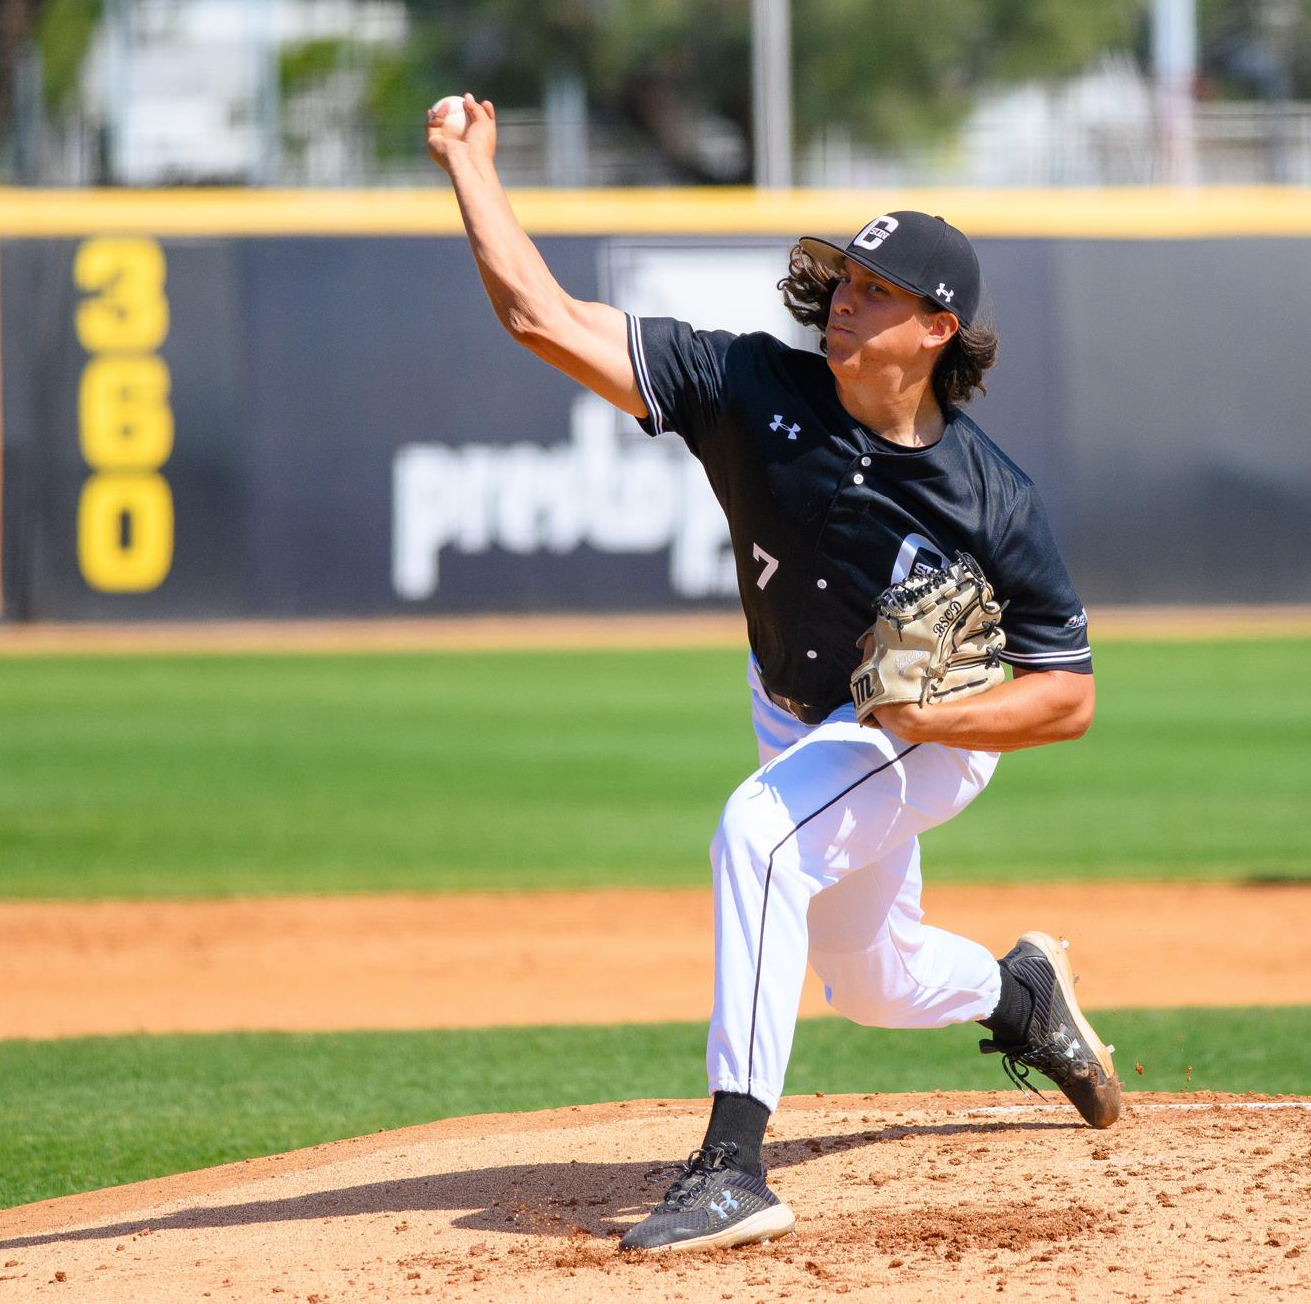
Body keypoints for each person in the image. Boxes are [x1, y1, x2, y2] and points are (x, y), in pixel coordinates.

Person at [426, 96, 1121, 1254]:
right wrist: (467, 165)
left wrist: (936, 710)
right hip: (796, 714)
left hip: (926, 736)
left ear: (936, 328)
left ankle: (732, 1165)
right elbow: (538, 317)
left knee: (757, 835)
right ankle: (1020, 997)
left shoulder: (991, 496)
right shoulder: (748, 387)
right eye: (845, 278)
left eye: (877, 290)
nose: (846, 296)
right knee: (874, 980)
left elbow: (1070, 693)